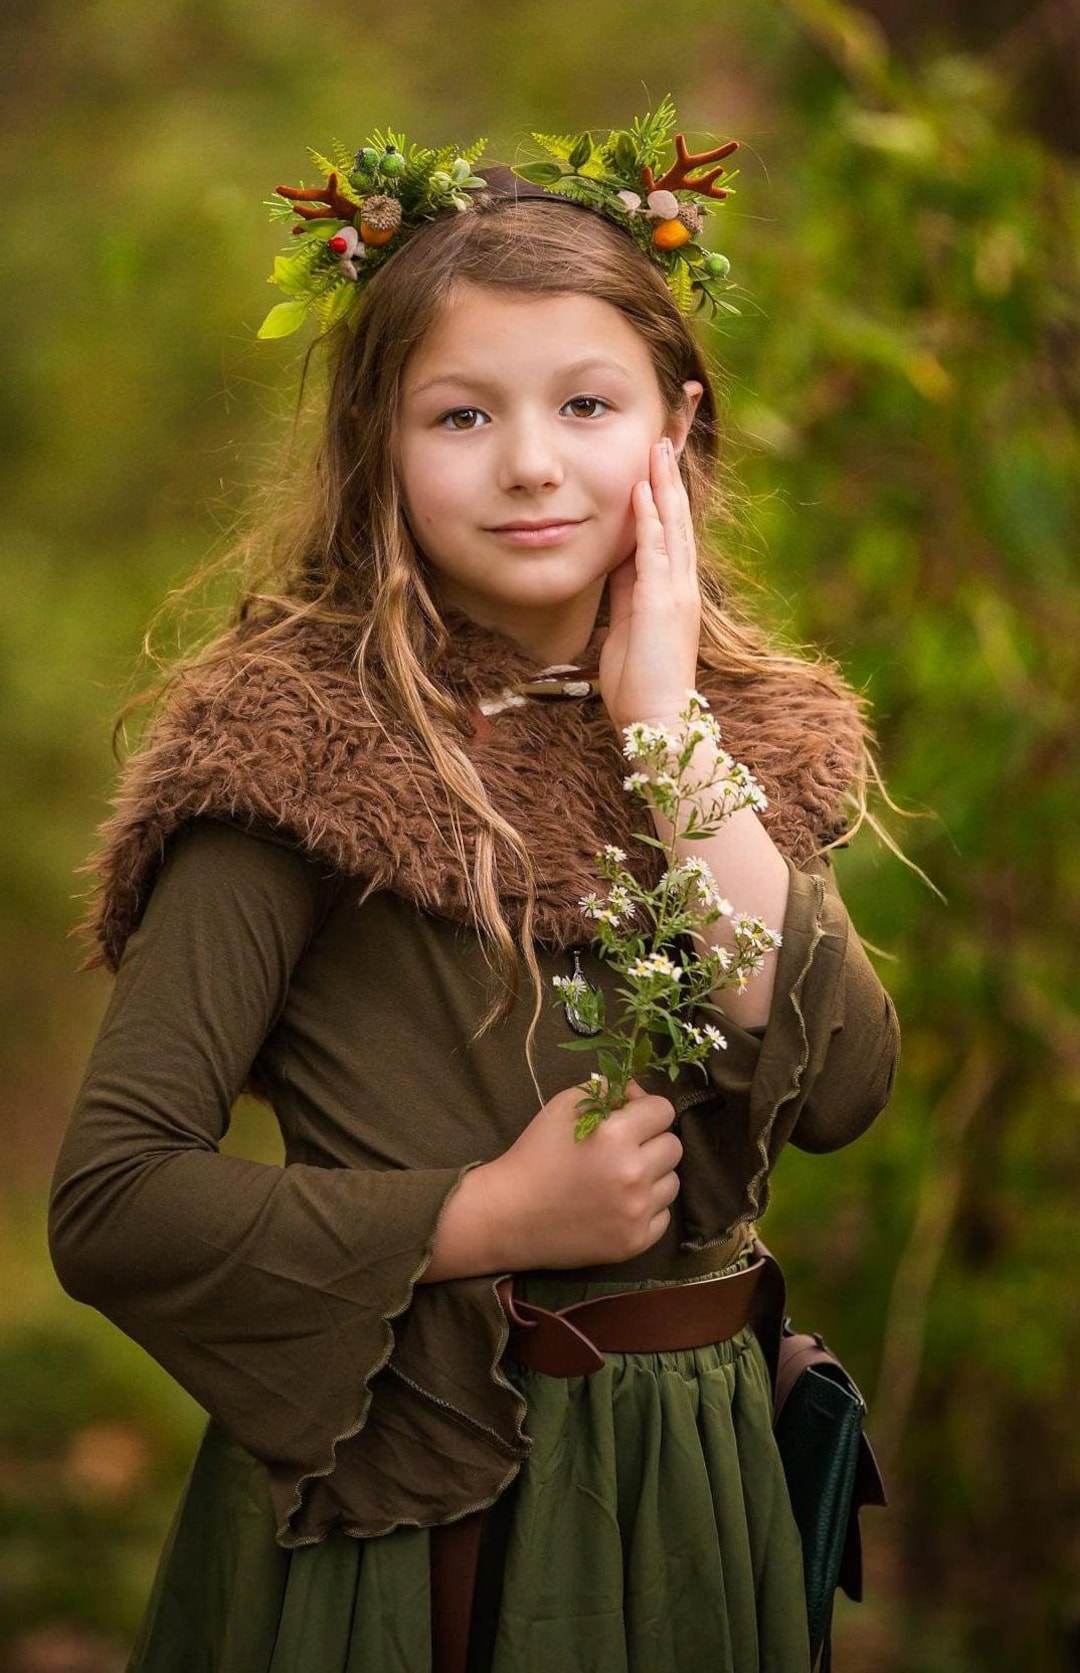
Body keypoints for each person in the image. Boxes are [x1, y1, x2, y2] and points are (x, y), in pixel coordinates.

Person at [49, 110, 900, 1673]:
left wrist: (662, 729)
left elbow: (842, 1086)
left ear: (677, 428)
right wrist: (482, 1214)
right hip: (421, 1494)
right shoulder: (293, 756)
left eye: (586, 401)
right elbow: (115, 1200)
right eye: (459, 415)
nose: (528, 462)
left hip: (696, 1488)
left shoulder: (739, 738)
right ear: (375, 442)